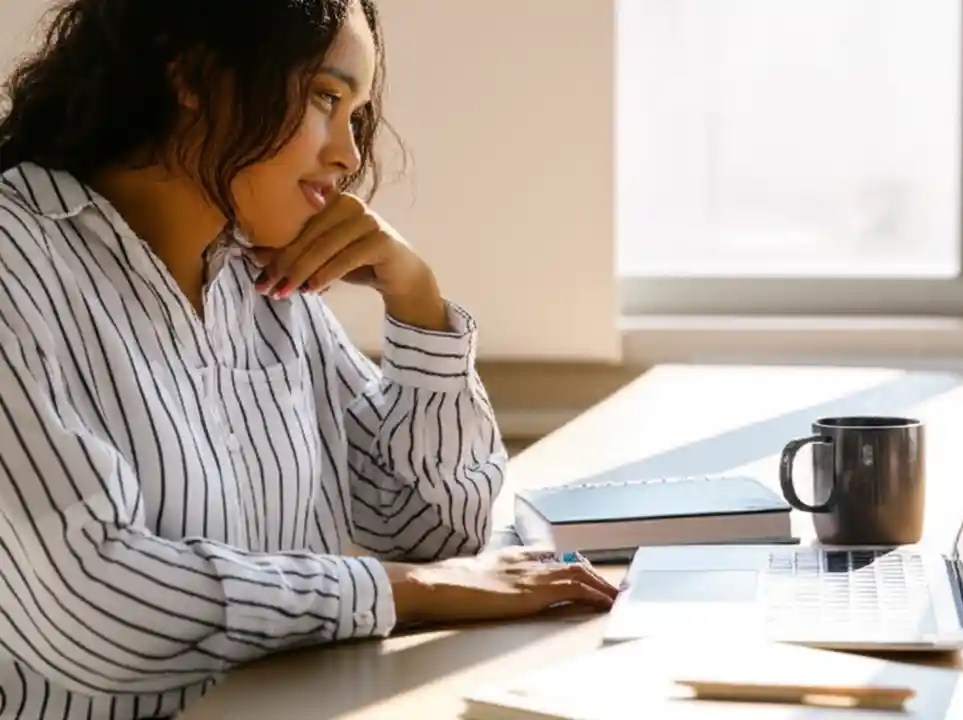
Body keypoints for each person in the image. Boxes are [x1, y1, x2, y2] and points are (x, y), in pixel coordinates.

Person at [0, 1, 616, 717]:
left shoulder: (259, 278)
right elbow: (89, 606)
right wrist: (402, 592)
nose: (349, 155)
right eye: (326, 97)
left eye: (357, 114)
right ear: (194, 76)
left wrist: (416, 301)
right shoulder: (18, 261)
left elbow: (431, 529)